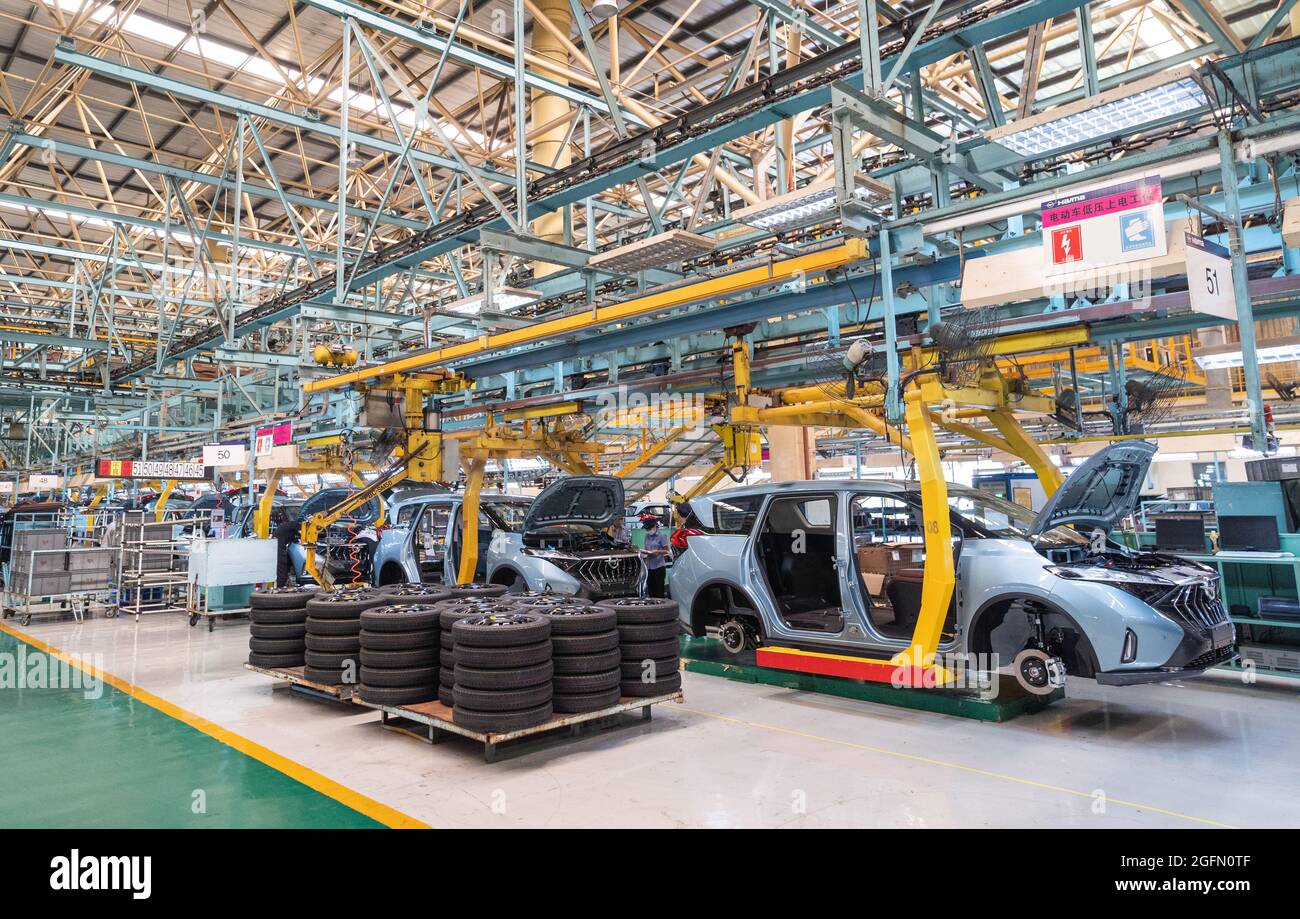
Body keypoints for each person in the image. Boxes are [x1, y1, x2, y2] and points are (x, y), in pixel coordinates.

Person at [640, 518, 670, 598]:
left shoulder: (662, 536)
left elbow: (667, 551)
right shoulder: (647, 536)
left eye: (649, 528)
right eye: (647, 529)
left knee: (659, 591)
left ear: (654, 526)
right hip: (649, 567)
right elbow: (646, 548)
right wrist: (643, 553)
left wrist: (658, 551)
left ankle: (660, 607)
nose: (648, 530)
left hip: (659, 567)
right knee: (651, 590)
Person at [273, 515, 300, 588]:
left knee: (282, 567)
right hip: (279, 548)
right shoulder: (295, 526)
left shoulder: (287, 526)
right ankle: (280, 586)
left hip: (276, 546)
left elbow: (293, 537)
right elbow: (301, 534)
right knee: (281, 568)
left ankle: (281, 584)